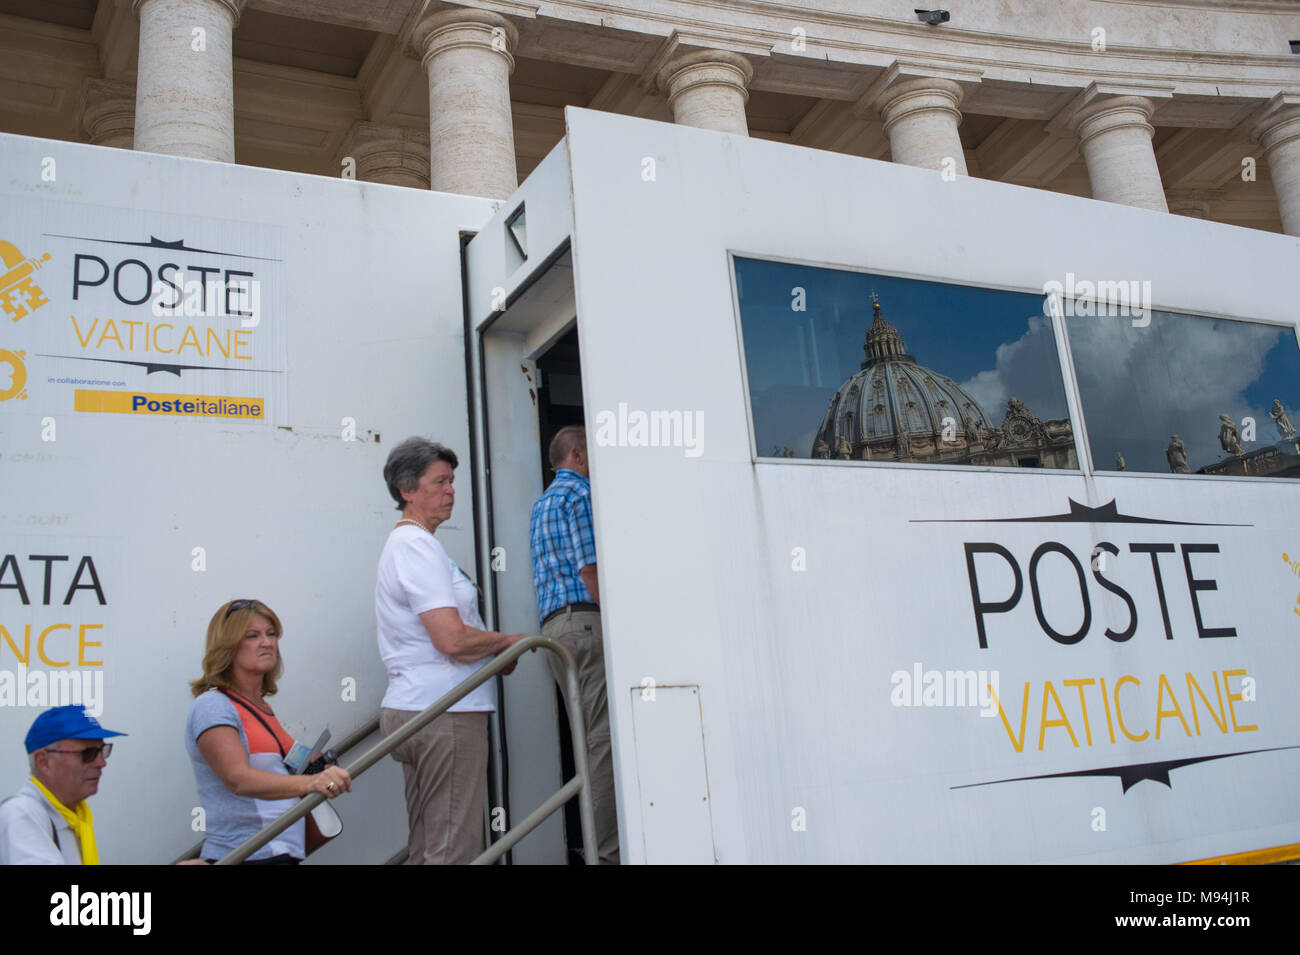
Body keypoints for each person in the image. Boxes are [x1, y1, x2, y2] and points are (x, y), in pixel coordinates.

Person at [377, 437, 525, 864]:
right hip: (444, 710)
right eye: (440, 481)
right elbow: (452, 640)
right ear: (408, 490)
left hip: (423, 706)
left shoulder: (414, 545)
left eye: (453, 481)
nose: (451, 490)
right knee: (451, 848)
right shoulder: (416, 546)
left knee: (429, 844)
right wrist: (506, 642)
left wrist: (492, 648)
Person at [186, 598, 351, 864]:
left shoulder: (262, 707)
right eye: (253, 636)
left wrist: (315, 768)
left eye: (271, 634)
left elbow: (276, 771)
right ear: (227, 646)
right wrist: (310, 782)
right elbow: (238, 779)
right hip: (247, 854)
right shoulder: (213, 705)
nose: (267, 642)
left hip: (281, 852)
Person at [529, 425, 619, 864]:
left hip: (554, 632)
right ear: (579, 455)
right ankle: (608, 855)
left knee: (586, 743)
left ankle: (593, 845)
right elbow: (589, 570)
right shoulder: (579, 495)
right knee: (603, 744)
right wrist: (623, 621)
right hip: (585, 624)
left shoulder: (541, 504)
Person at [0, 705, 125, 864]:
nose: (101, 762)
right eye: (88, 753)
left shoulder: (74, 819)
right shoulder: (21, 815)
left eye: (102, 750)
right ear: (44, 762)